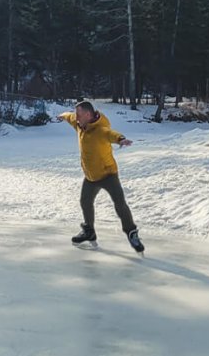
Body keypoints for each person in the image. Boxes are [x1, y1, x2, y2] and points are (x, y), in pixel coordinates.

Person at [58, 100, 144, 253]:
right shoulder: (78, 123)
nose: (76, 117)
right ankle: (89, 231)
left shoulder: (100, 129)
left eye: (79, 114)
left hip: (108, 174)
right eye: (76, 114)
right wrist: (62, 116)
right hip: (90, 176)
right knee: (85, 201)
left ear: (88, 114)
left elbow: (110, 134)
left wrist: (121, 139)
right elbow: (69, 116)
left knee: (120, 204)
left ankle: (131, 232)